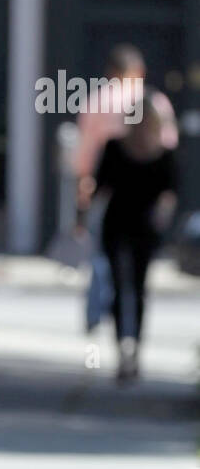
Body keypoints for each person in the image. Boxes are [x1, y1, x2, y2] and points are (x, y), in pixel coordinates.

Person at [72, 44, 177, 334]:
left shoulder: (99, 100)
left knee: (101, 258)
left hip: (107, 192)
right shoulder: (155, 102)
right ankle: (132, 333)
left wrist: (83, 189)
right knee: (139, 276)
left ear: (111, 72)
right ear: (138, 72)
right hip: (146, 199)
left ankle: (98, 312)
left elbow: (85, 152)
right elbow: (168, 147)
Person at [93, 92, 178, 381]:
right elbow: (100, 186)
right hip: (116, 226)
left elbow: (170, 191)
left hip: (145, 230)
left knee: (139, 288)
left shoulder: (164, 154)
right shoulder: (115, 147)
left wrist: (163, 213)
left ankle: (135, 348)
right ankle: (122, 348)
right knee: (119, 287)